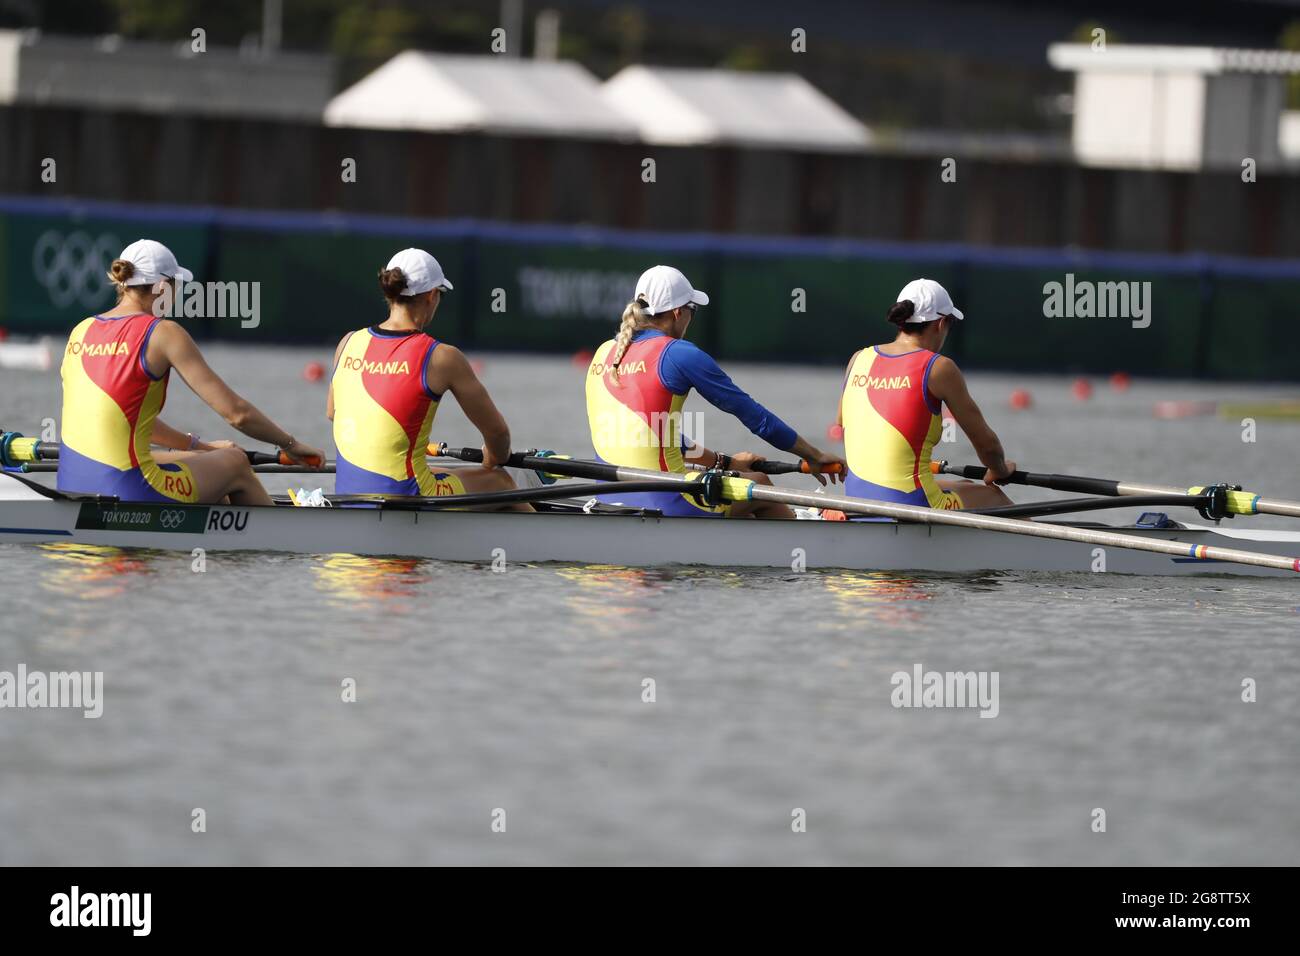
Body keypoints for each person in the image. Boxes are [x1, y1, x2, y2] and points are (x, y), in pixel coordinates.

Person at [58, 239, 323, 505]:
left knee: (202, 462)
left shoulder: (81, 330)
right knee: (236, 463)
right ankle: (277, 540)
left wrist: (201, 447)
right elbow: (237, 414)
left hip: (70, 482)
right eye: (176, 287)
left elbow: (124, 417)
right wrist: (290, 444)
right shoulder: (163, 333)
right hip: (128, 488)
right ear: (162, 287)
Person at [585, 264, 845, 518]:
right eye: (692, 310)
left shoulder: (604, 352)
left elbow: (652, 432)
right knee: (760, 483)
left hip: (609, 498)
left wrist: (725, 463)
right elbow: (756, 418)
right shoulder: (678, 354)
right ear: (678, 313)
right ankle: (801, 542)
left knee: (722, 483)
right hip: (667, 503)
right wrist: (815, 455)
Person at [327, 248, 529, 510]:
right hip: (408, 495)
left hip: (348, 493)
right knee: (500, 482)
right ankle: (543, 546)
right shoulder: (442, 357)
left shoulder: (348, 342)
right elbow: (497, 433)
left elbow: (333, 413)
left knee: (430, 467)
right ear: (432, 296)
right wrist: (494, 457)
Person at [836, 278, 1013, 511]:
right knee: (994, 498)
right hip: (909, 503)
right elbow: (986, 445)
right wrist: (999, 470)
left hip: (854, 501)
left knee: (964, 485)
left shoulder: (858, 358)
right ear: (941, 324)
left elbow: (841, 421)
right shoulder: (939, 368)